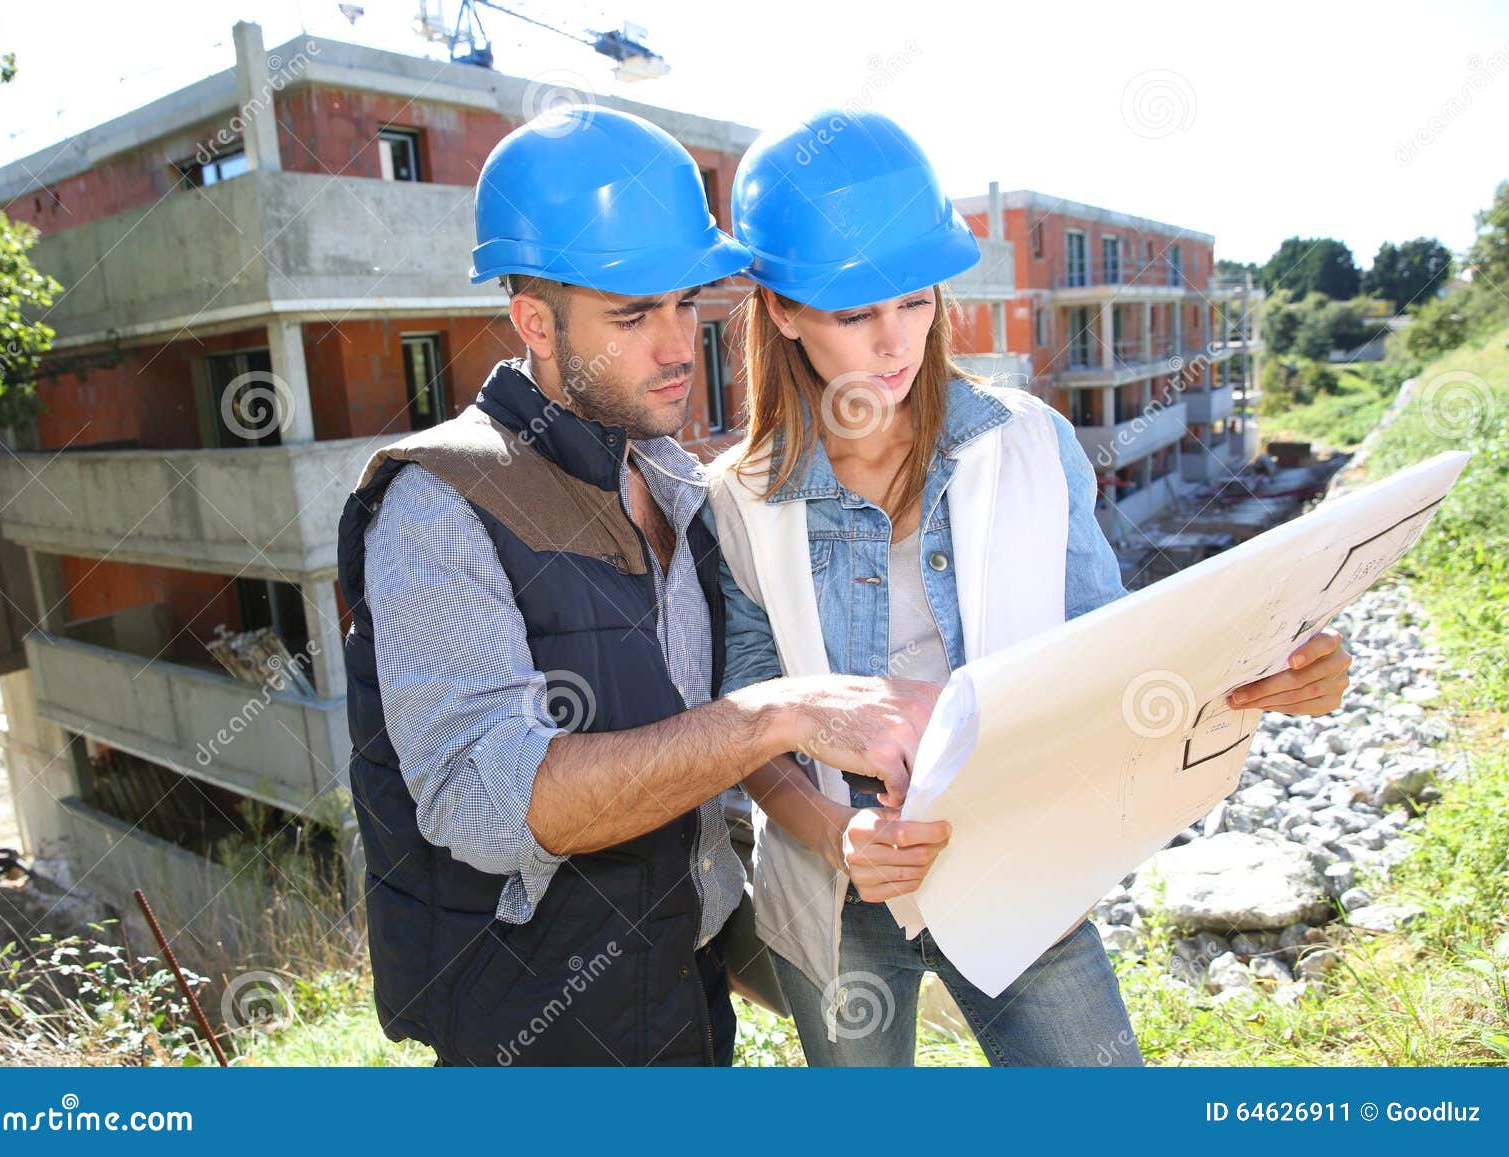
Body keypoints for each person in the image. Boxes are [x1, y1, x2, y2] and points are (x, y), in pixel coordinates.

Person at [705, 108, 1355, 1067]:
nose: (896, 343)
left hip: (1018, 870)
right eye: (855, 314)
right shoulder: (737, 500)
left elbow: (1112, 660)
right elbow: (755, 730)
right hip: (835, 888)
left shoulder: (1031, 444)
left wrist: (1270, 666)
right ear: (782, 309)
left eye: (916, 301)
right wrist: (838, 832)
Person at [337, 104, 941, 1067]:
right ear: (534, 321)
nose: (673, 345)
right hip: (534, 1037)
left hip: (684, 1002)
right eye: (630, 314)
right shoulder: (440, 502)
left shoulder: (678, 486)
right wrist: (774, 713)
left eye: (684, 304)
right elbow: (490, 804)